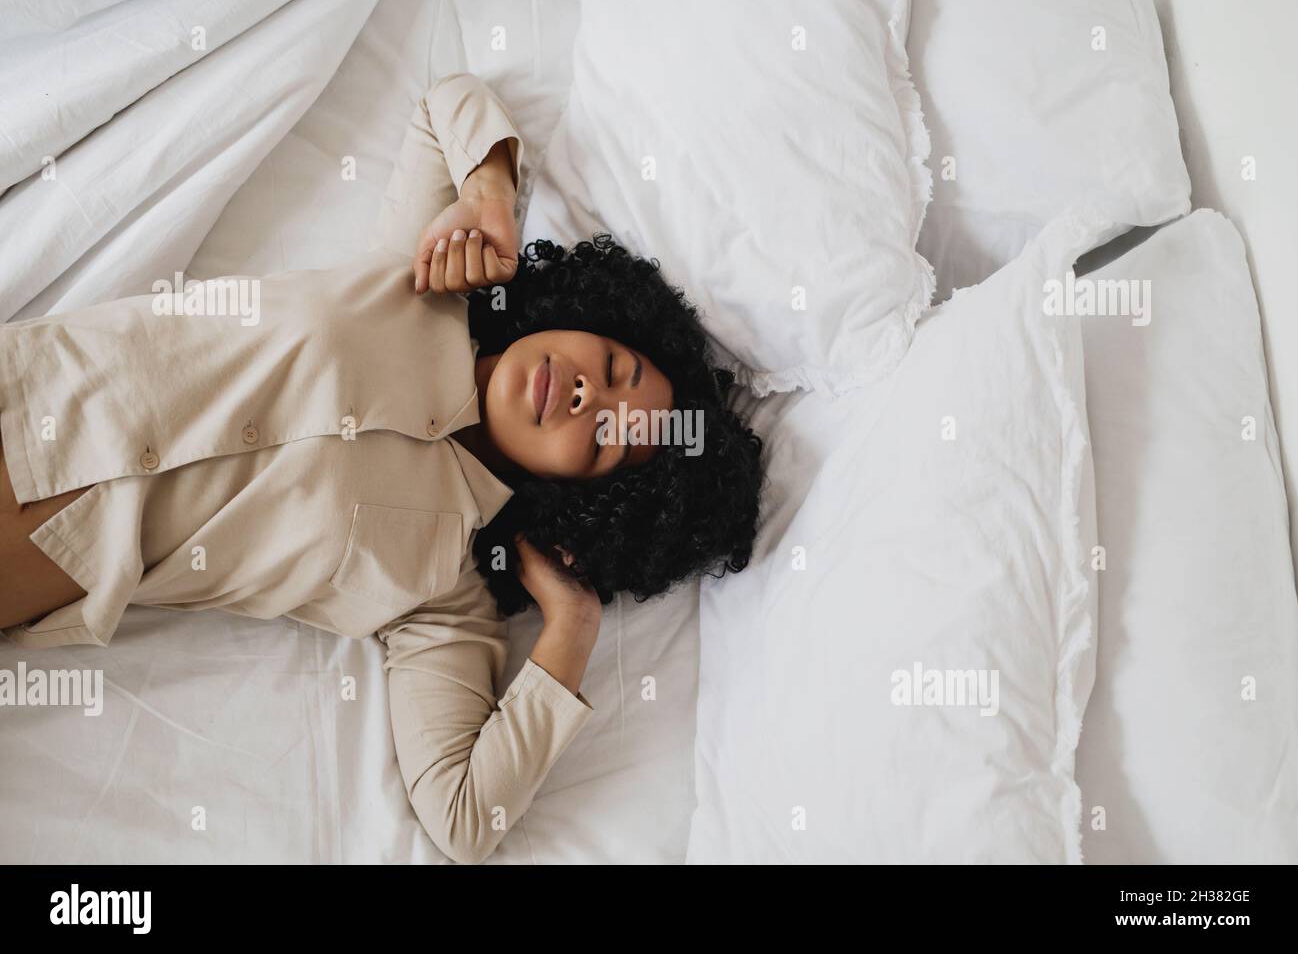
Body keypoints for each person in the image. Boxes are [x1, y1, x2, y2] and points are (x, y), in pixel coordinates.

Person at [0, 74, 762, 863]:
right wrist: (489, 195)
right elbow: (446, 103)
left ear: (586, 501)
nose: (585, 392)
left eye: (604, 436)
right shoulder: (425, 280)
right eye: (611, 365)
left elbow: (464, 821)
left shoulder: (444, 595)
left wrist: (571, 629)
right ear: (593, 321)